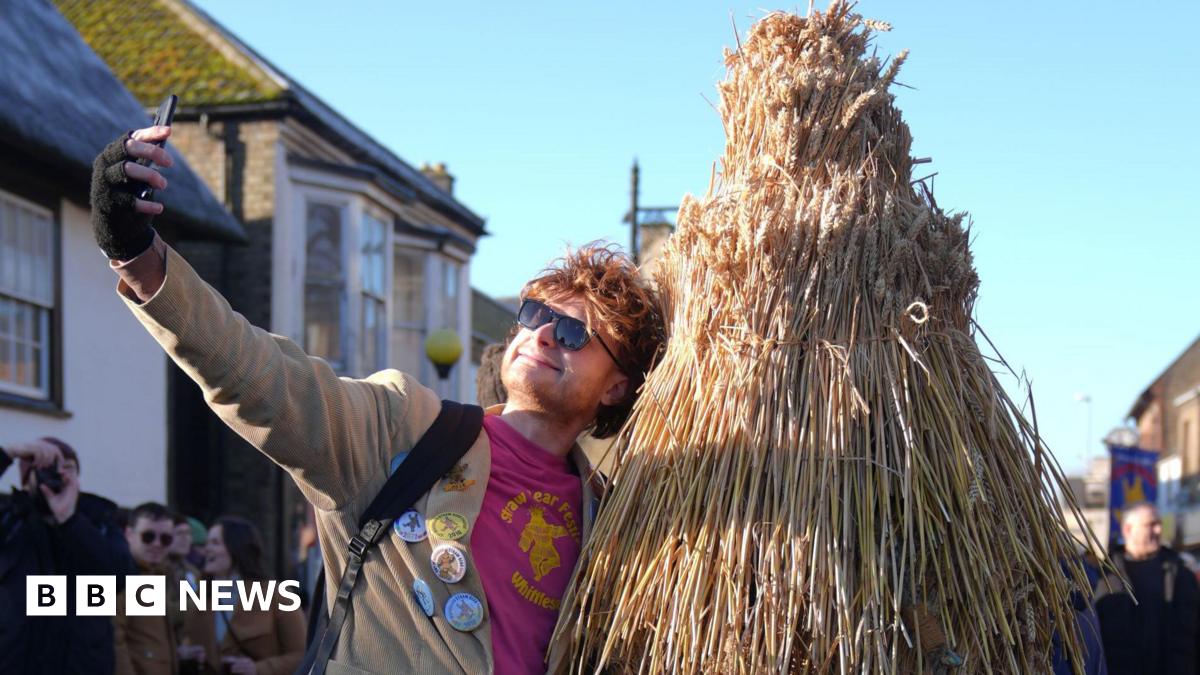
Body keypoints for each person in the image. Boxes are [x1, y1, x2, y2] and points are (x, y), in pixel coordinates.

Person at [91, 125, 663, 674]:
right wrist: (138, 258)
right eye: (536, 315)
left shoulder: (613, 514)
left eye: (572, 333)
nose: (541, 333)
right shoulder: (405, 429)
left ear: (617, 386)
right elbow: (260, 375)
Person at [0, 438, 134, 675]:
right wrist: (7, 453)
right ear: (25, 476)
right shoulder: (9, 521)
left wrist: (70, 520)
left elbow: (120, 577)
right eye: (48, 467)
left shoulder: (100, 520)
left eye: (67, 468)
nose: (58, 474)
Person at [177, 516, 305, 675]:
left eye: (215, 543)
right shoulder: (200, 597)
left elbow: (301, 655)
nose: (207, 549)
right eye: (207, 543)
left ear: (237, 549)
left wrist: (258, 669)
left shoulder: (276, 594)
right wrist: (184, 654)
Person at [1093, 503, 1197, 674]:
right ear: (1128, 529)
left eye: (1159, 525)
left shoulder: (1181, 575)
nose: (1158, 531)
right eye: (1151, 525)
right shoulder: (1103, 578)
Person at [115, 502, 180, 675]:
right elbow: (114, 640)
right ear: (129, 534)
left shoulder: (158, 575)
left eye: (165, 539)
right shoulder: (122, 576)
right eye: (148, 536)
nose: (157, 544)